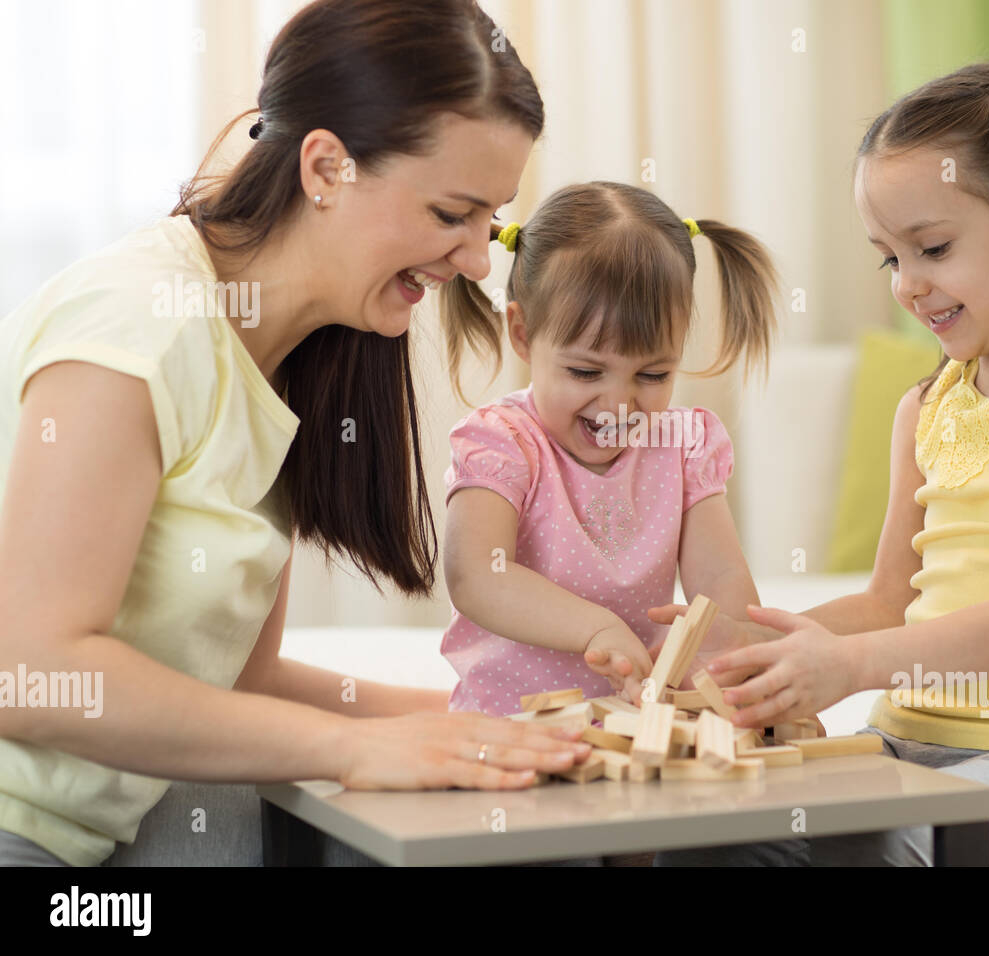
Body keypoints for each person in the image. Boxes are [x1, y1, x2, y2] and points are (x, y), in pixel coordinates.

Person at [0, 0, 592, 868]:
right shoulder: (137, 326)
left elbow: (248, 682)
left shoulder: (293, 361)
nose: (474, 259)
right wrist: (353, 748)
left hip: (108, 827)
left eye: (489, 220)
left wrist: (489, 727)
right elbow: (26, 674)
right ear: (326, 167)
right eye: (450, 214)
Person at [650, 61, 989, 866]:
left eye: (934, 248)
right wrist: (739, 647)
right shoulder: (925, 406)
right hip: (903, 738)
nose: (909, 286)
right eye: (890, 259)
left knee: (883, 848)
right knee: (714, 830)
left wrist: (847, 666)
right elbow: (888, 600)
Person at [439, 181, 779, 715]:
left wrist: (726, 640)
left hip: (630, 727)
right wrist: (596, 628)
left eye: (652, 373)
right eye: (585, 371)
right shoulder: (503, 442)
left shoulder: (684, 444)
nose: (619, 403)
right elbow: (478, 574)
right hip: (508, 724)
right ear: (524, 334)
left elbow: (720, 578)